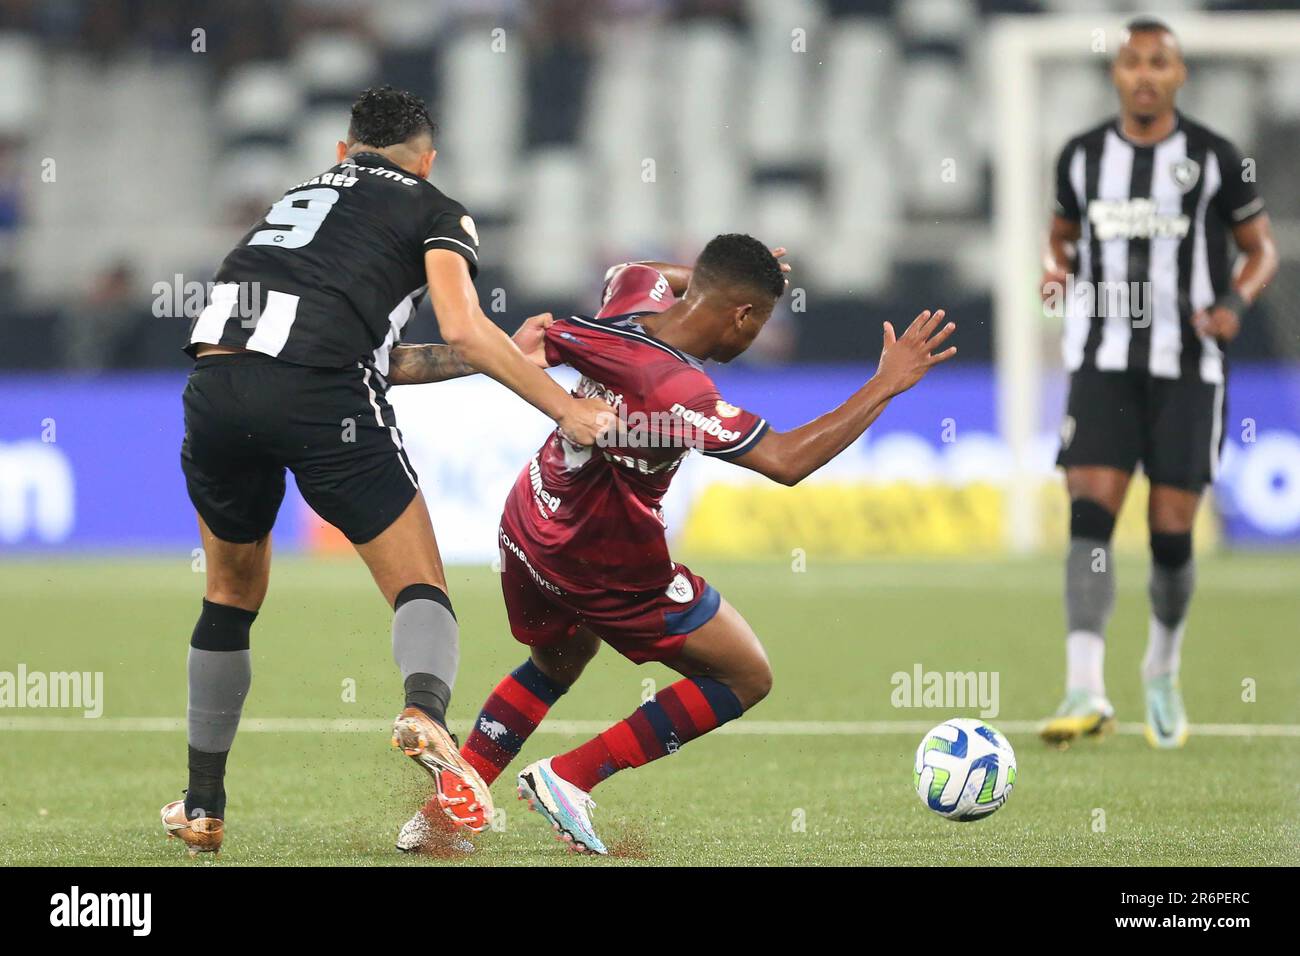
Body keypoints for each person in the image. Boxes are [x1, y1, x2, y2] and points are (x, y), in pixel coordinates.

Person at [397, 234, 955, 854]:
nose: (752, 342)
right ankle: (569, 777)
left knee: (557, 661)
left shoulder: (627, 305)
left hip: (530, 521)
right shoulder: (681, 394)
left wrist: (718, 274)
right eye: (757, 323)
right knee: (745, 675)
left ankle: (441, 816)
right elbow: (787, 461)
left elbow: (630, 268)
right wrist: (885, 384)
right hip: (603, 564)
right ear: (741, 315)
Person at [162, 86, 610, 856]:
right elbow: (464, 328)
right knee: (420, 586)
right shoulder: (436, 208)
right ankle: (424, 712)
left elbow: (378, 352)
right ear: (427, 159)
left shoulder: (294, 200)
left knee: (229, 594)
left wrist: (493, 358)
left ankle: (202, 804)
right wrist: (561, 406)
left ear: (343, 151)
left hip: (216, 388)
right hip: (322, 396)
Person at [1038, 19, 1277, 749]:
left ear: (1178, 76)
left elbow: (1259, 250)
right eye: (1133, 62)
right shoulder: (1081, 158)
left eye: (1159, 63)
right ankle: (1085, 686)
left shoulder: (1214, 158)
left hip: (1189, 366)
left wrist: (1234, 306)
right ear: (1117, 74)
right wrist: (1059, 272)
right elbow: (1061, 236)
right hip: (1102, 360)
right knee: (1090, 515)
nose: (1145, 74)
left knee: (1171, 533)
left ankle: (1163, 669)